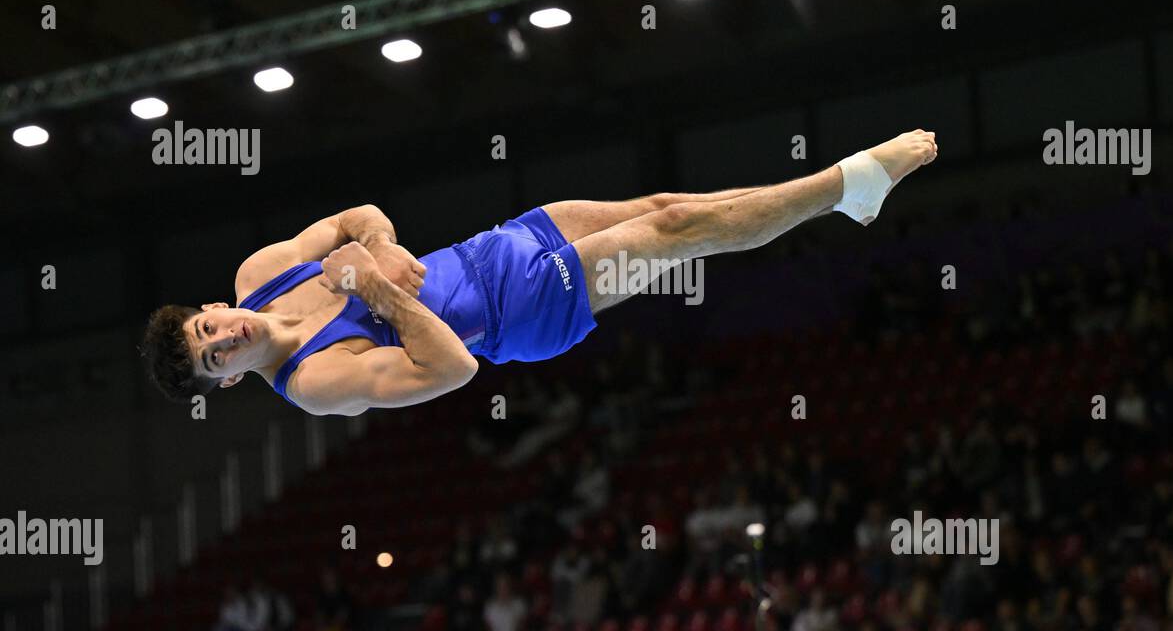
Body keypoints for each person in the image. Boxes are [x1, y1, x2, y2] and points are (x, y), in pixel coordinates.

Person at [141, 131, 937, 414]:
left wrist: (378, 247)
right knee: (673, 231)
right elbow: (451, 370)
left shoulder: (264, 271)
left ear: (213, 307)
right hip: (519, 315)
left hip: (492, 249)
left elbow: (358, 218)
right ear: (233, 381)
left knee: (667, 201)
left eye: (207, 327)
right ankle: (849, 186)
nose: (225, 338)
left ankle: (846, 196)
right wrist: (371, 288)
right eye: (218, 358)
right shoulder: (313, 385)